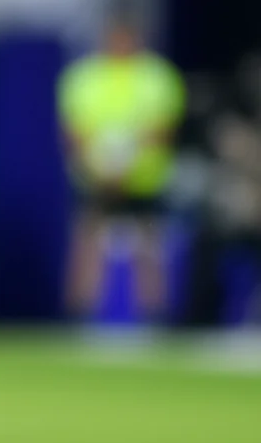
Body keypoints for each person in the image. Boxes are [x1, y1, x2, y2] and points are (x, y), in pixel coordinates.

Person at [57, 17, 185, 323]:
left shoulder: (157, 76)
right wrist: (102, 168)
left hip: (145, 182)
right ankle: (82, 316)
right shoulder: (84, 77)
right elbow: (73, 133)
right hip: (95, 180)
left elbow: (165, 130)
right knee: (87, 245)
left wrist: (127, 164)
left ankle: (154, 317)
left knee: (150, 248)